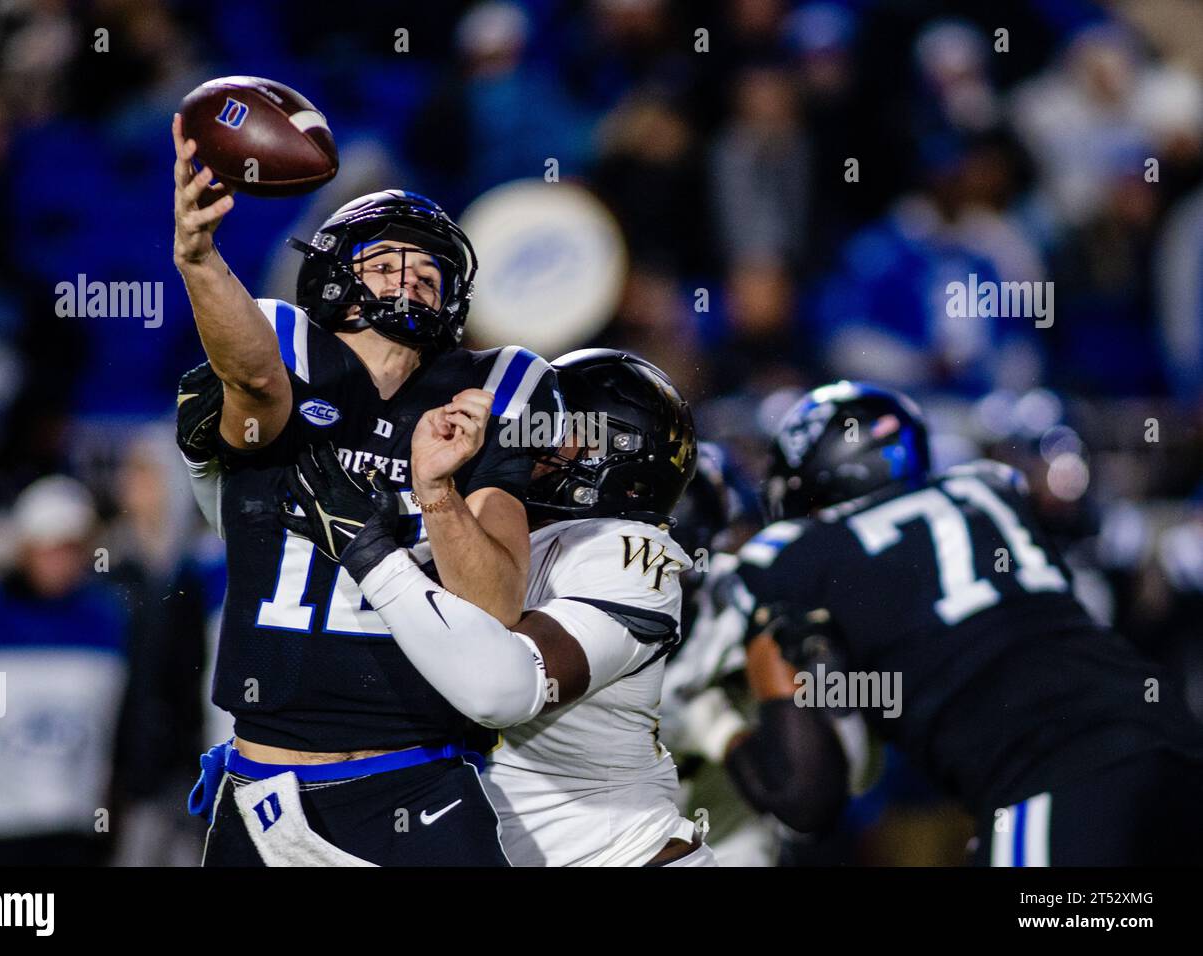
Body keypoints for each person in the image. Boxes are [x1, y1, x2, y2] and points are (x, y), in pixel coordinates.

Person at [171, 115, 559, 866]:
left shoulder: (482, 399)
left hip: (417, 783)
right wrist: (199, 260)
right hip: (259, 793)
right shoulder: (285, 352)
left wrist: (438, 489)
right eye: (385, 263)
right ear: (332, 276)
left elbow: (495, 608)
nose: (407, 280)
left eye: (427, 273)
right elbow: (253, 379)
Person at [727, 380, 1203, 865]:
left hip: (1048, 771)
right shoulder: (989, 491)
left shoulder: (789, 555)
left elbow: (804, 794)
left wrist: (727, 730)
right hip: (1175, 740)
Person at [285, 349, 721, 865]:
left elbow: (501, 690)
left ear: (621, 458)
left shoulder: (626, 551)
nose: (524, 439)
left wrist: (373, 554)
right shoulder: (475, 529)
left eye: (555, 429)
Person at [0, 476, 129, 866]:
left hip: (75, 823)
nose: (59, 561)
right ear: (25, 548)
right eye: (50, 548)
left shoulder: (108, 619)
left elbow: (124, 722)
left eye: (70, 548)